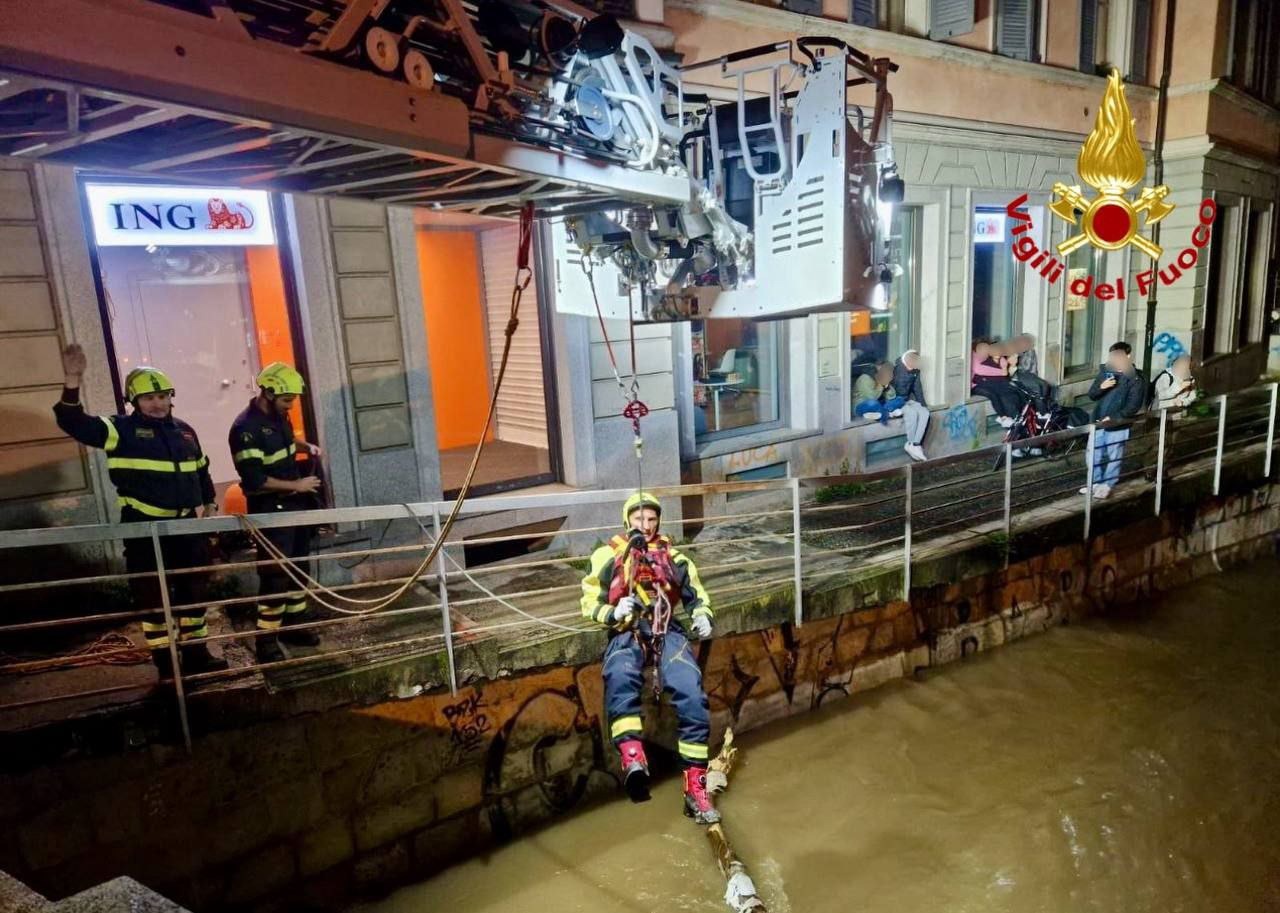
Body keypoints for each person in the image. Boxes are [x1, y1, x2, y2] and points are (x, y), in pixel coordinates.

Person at [53, 344, 227, 676]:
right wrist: (72, 380)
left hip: (186, 528)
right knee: (153, 601)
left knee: (194, 595)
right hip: (144, 529)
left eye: (162, 396)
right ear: (134, 401)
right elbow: (72, 421)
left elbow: (201, 470)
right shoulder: (120, 430)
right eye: (148, 398)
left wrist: (210, 503)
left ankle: (196, 655)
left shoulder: (185, 431)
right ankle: (166, 666)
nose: (157, 403)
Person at [580, 492, 720, 825]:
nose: (646, 525)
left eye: (652, 519)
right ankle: (632, 757)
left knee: (691, 691)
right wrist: (613, 612)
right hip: (627, 629)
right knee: (620, 674)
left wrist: (703, 615)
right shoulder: (607, 556)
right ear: (627, 520)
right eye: (640, 519)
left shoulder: (675, 557)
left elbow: (697, 594)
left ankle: (695, 787)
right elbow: (588, 601)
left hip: (666, 628)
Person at [229, 362, 325, 664]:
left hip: (293, 506)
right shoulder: (245, 429)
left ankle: (293, 625)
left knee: (298, 568)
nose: (290, 405)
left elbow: (283, 441)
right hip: (270, 509)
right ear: (267, 393)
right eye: (286, 400)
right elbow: (255, 481)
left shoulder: (278, 416)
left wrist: (305, 446)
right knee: (275, 576)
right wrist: (297, 485)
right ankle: (266, 641)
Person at [1082, 341, 1147, 500]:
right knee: (1092, 454)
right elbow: (1092, 395)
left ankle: (1108, 485)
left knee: (1114, 456)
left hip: (1118, 424)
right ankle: (1095, 483)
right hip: (1098, 422)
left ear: (1128, 356)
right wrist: (1102, 387)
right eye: (1113, 356)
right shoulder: (1105, 372)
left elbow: (1133, 406)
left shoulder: (1136, 379)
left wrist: (1114, 418)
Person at [891, 349, 930, 461]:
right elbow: (895, 390)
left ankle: (916, 444)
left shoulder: (915, 371)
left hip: (906, 400)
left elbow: (917, 388)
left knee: (925, 413)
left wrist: (923, 404)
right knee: (912, 414)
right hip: (896, 401)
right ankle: (910, 443)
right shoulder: (898, 370)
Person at [970, 338, 1020, 424]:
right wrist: (1003, 372)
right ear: (975, 349)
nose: (984, 351)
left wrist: (1007, 364)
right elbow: (979, 370)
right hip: (973, 386)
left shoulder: (989, 357)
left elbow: (1000, 359)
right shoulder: (973, 356)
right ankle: (1003, 417)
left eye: (987, 349)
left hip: (985, 383)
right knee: (992, 394)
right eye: (981, 349)